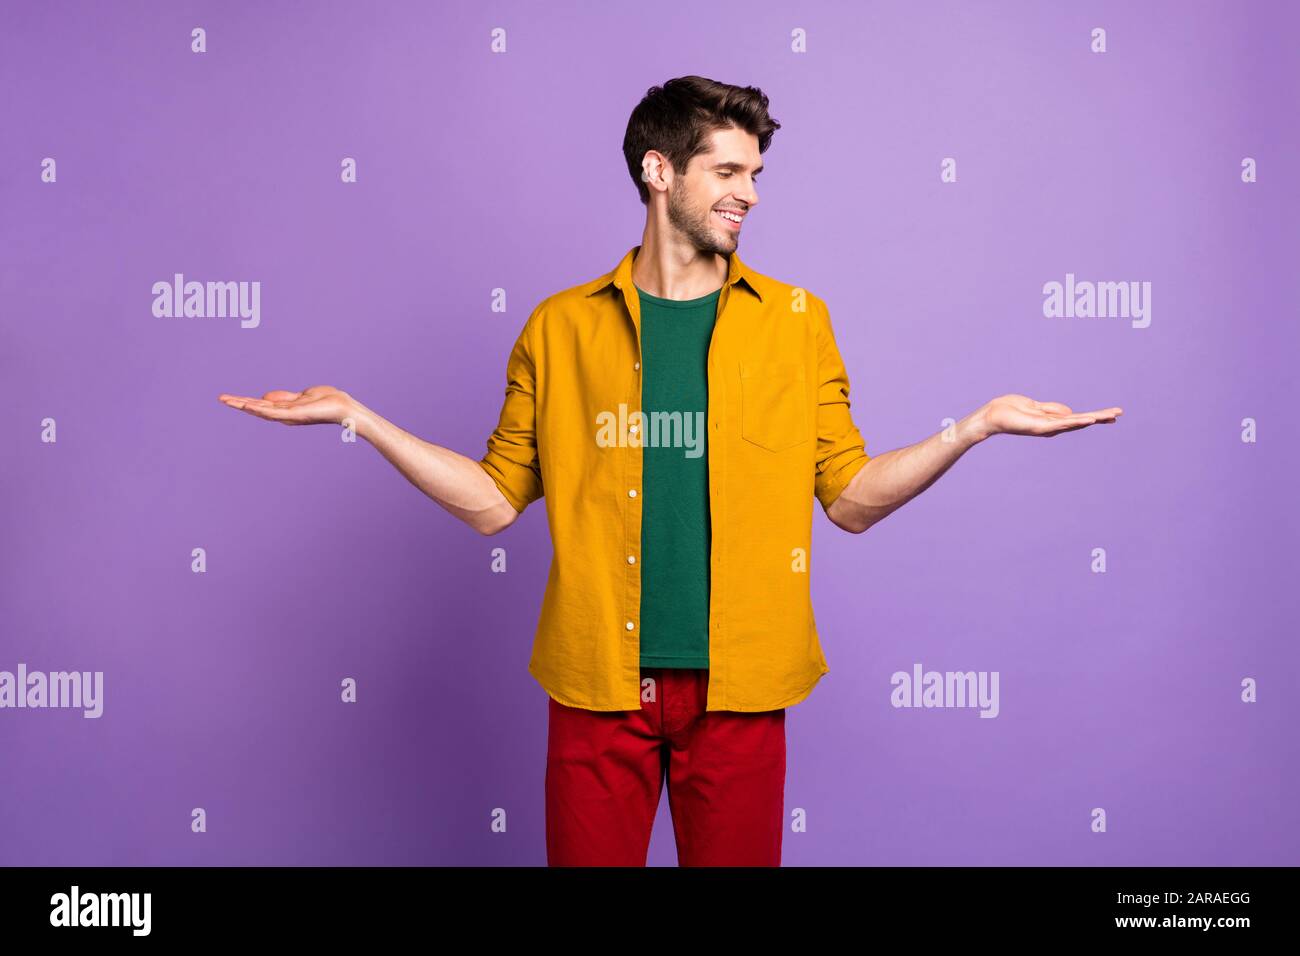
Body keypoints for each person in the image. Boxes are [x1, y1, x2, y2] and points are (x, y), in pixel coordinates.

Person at [218, 75, 1122, 867]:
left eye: (756, 176)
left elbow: (847, 498)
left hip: (741, 691)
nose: (750, 197)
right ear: (660, 172)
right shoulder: (559, 328)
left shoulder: (796, 323)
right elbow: (495, 501)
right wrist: (360, 419)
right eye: (728, 173)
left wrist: (972, 428)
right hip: (595, 686)